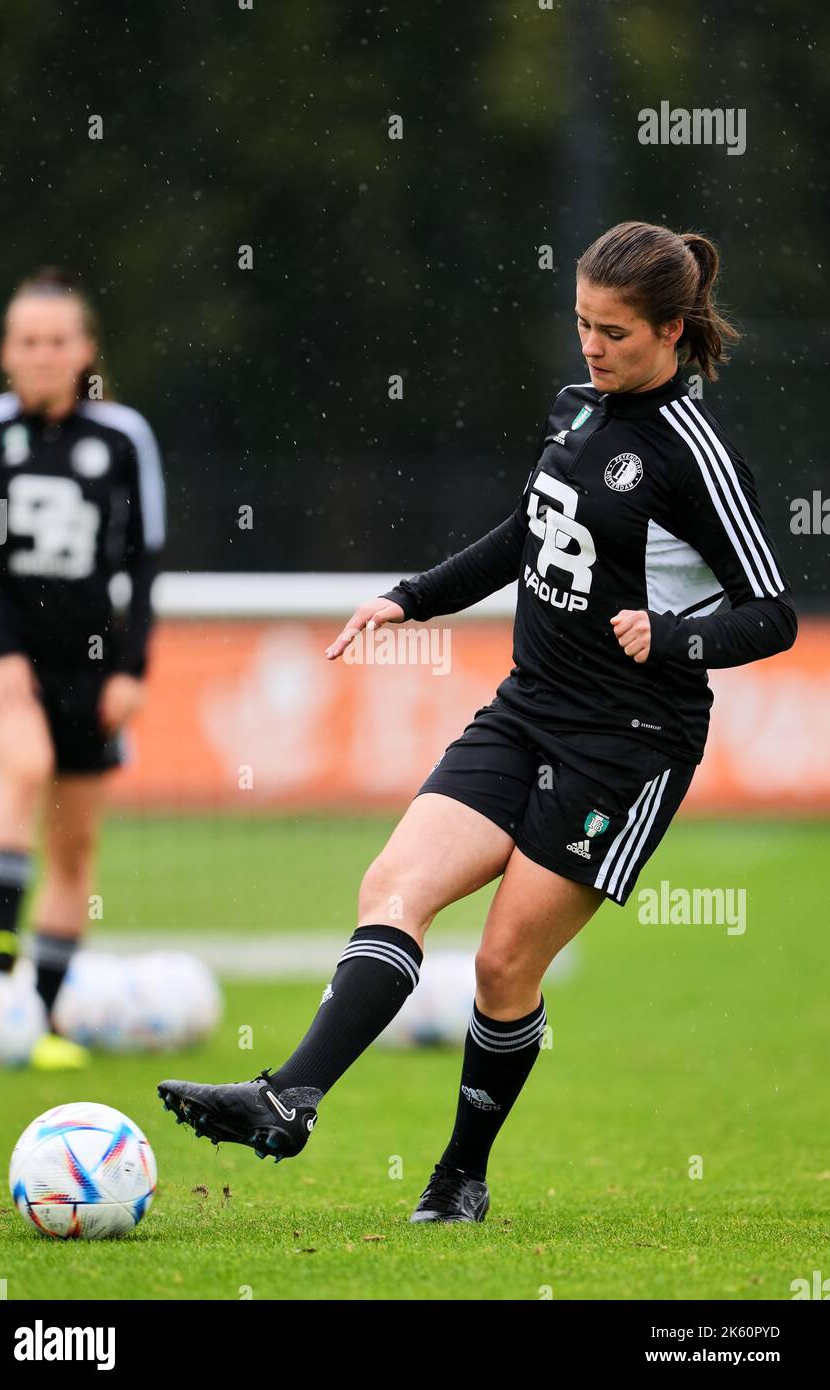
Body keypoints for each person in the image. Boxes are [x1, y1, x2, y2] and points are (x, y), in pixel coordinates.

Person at [158, 220, 797, 1220]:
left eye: (615, 332)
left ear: (670, 332)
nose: (591, 346)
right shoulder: (576, 411)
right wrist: (408, 597)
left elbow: (770, 613)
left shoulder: (695, 457)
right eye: (581, 324)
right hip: (522, 711)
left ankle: (459, 1177)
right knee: (392, 885)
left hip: (624, 749)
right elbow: (523, 532)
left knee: (502, 965)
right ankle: (288, 1098)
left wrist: (672, 639)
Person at [0, 268, 166, 1069]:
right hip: (4, 659)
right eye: (27, 341)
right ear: (7, 351)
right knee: (26, 765)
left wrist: (131, 669)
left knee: (76, 847)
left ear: (83, 349)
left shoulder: (121, 437)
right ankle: (0, 955)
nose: (42, 355)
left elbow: (145, 563)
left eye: (57, 340)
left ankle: (39, 1021)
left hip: (92, 666)